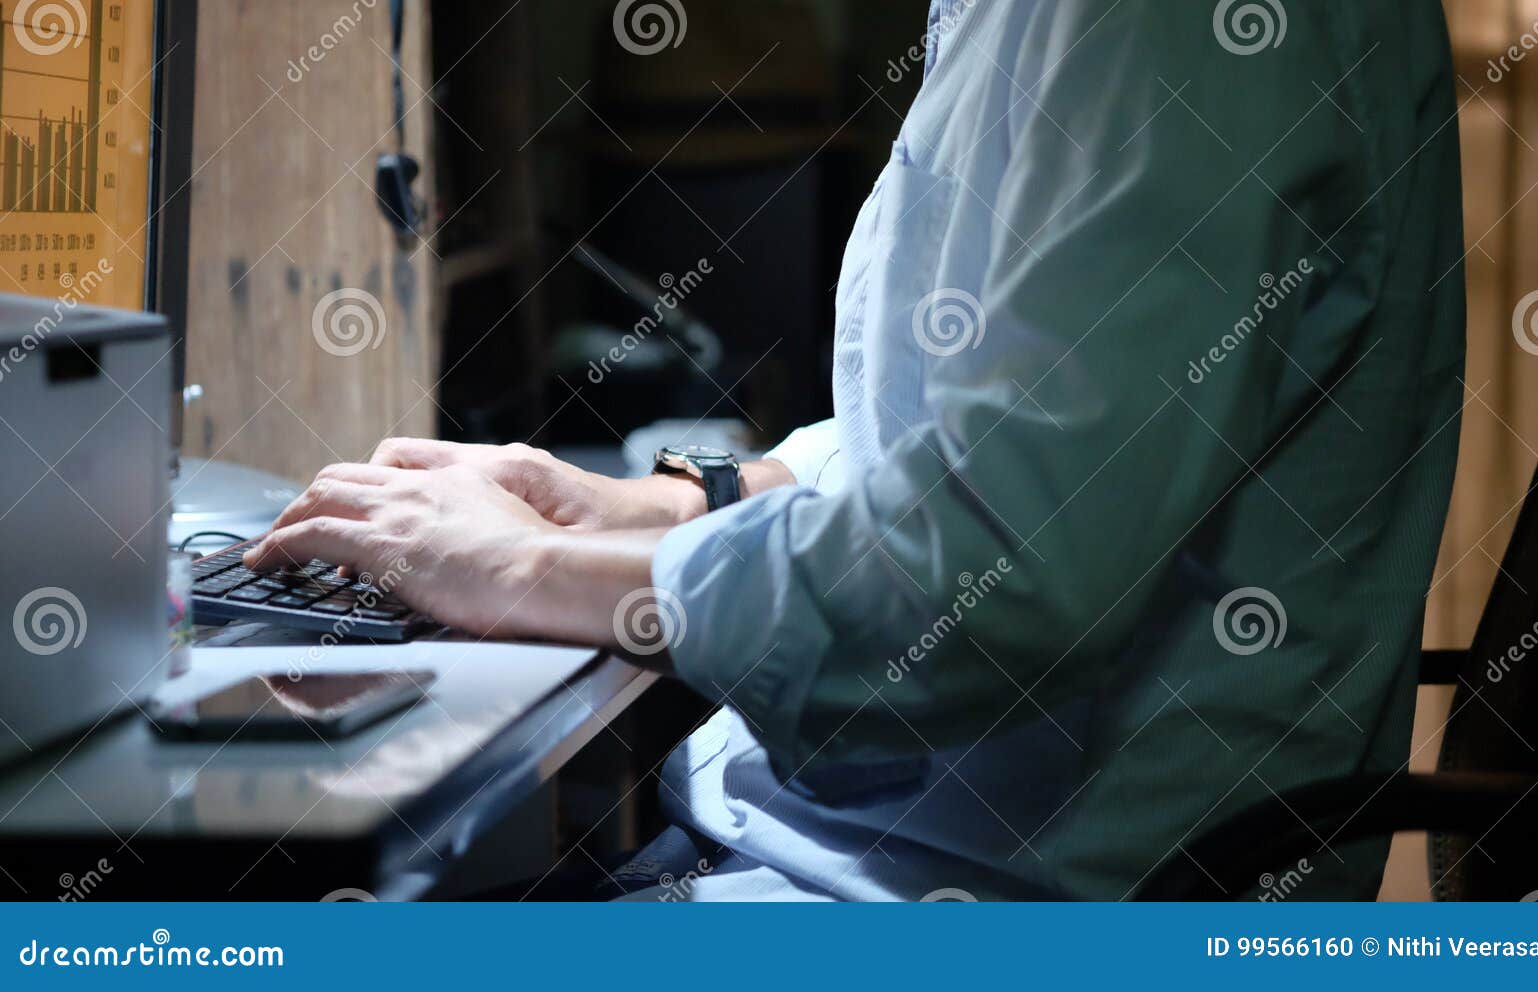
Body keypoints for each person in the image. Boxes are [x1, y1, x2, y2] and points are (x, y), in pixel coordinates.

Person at [247, 0, 1465, 900]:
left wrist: (517, 575)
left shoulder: (1155, 30)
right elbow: (971, 433)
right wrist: (666, 506)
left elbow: (992, 575)